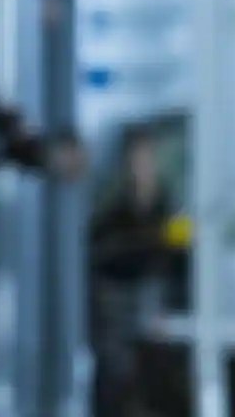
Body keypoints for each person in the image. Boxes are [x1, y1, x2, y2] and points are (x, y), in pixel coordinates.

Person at [89, 125, 174, 417]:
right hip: (116, 290)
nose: (145, 164)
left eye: (149, 157)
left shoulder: (164, 199)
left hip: (149, 289)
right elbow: (101, 244)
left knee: (150, 359)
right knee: (117, 364)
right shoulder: (115, 200)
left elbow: (167, 251)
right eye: (139, 157)